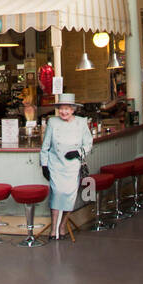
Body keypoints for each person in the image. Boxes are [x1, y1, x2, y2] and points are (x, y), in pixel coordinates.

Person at [40, 93, 94, 239]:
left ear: (73, 110)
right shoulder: (52, 122)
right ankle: (53, 229)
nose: (64, 112)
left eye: (67, 109)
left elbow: (88, 144)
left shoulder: (81, 123)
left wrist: (78, 152)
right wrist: (44, 165)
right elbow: (45, 146)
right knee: (57, 194)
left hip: (72, 166)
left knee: (70, 197)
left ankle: (62, 225)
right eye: (61, 109)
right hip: (55, 164)